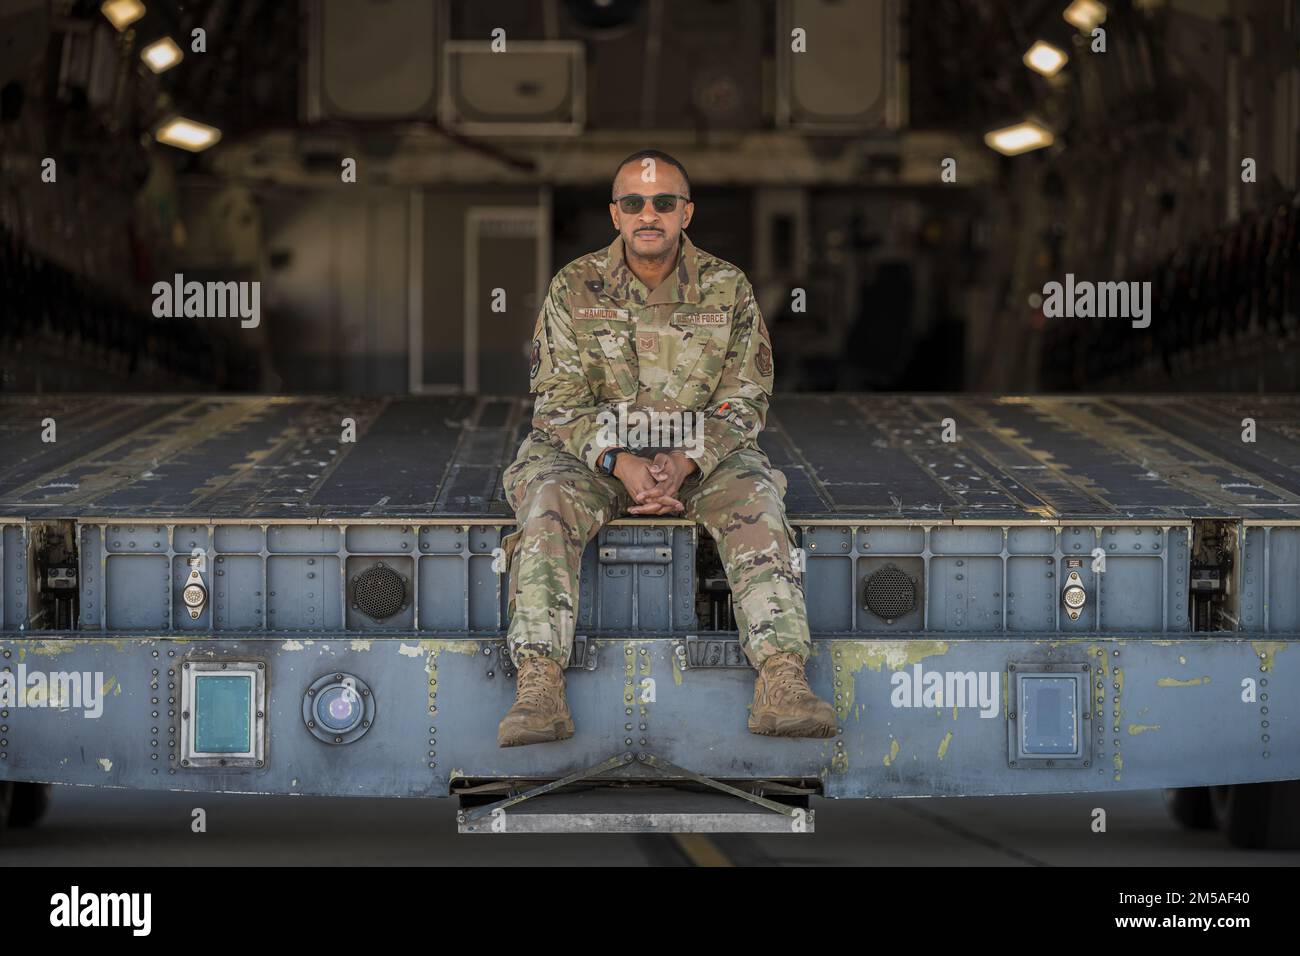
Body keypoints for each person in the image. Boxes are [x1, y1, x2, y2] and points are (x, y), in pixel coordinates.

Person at [496, 148, 837, 747]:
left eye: (663, 202)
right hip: (594, 459)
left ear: (687, 213)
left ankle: (783, 678)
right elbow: (557, 401)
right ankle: (539, 684)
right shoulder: (574, 286)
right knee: (547, 501)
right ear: (615, 213)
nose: (647, 213)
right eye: (634, 202)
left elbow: (745, 398)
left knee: (756, 499)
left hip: (699, 457)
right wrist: (621, 463)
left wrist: (685, 462)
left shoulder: (726, 287)